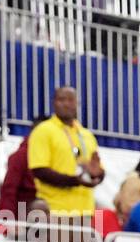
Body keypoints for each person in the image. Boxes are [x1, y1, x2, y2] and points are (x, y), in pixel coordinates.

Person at [27, 87, 104, 219]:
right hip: (54, 210)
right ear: (53, 103)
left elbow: (98, 170)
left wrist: (98, 174)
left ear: (77, 103)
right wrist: (76, 181)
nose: (66, 104)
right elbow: (39, 171)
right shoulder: (43, 131)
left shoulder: (87, 135)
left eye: (71, 100)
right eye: (61, 99)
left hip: (85, 212)